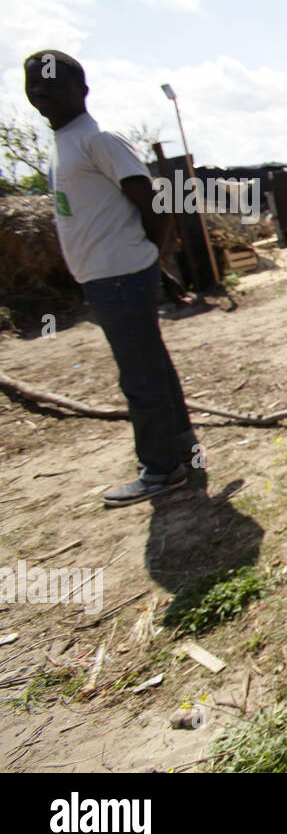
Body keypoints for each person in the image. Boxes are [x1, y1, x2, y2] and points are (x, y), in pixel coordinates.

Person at [24, 49, 197, 508]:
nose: (41, 91)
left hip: (119, 278)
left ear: (81, 90)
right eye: (33, 84)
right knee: (151, 366)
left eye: (52, 83)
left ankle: (161, 470)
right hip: (110, 278)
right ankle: (180, 450)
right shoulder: (63, 144)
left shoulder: (97, 140)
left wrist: (147, 258)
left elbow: (154, 204)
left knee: (139, 377)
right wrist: (153, 267)